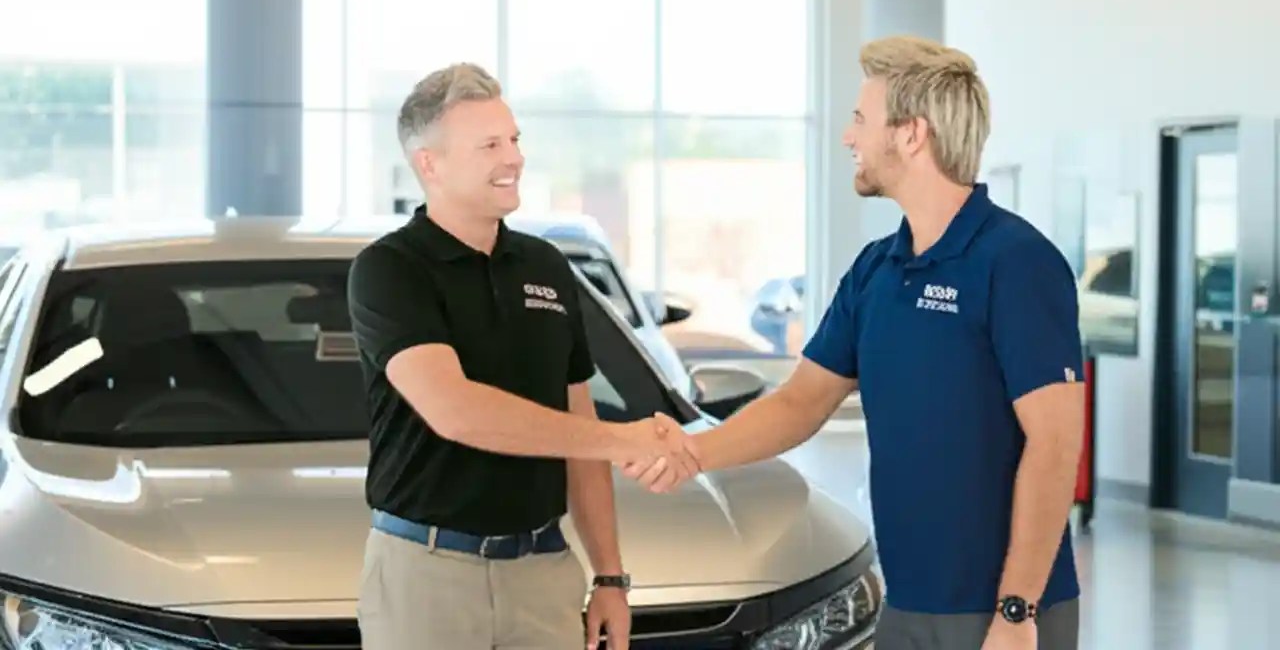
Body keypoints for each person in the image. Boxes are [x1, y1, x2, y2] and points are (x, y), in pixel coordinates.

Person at [625, 36, 1084, 650]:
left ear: (912, 134)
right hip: (907, 604)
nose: (849, 137)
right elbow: (800, 403)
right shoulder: (876, 271)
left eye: (862, 119)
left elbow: (1054, 444)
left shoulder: (1017, 262)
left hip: (1004, 614)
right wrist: (691, 452)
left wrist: (1017, 609)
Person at [347, 62, 700, 650]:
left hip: (543, 572)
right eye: (489, 145)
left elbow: (576, 427)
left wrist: (610, 575)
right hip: (425, 574)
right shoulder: (390, 270)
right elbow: (455, 411)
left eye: (514, 140)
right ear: (428, 164)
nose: (513, 158)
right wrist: (628, 441)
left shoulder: (545, 267)